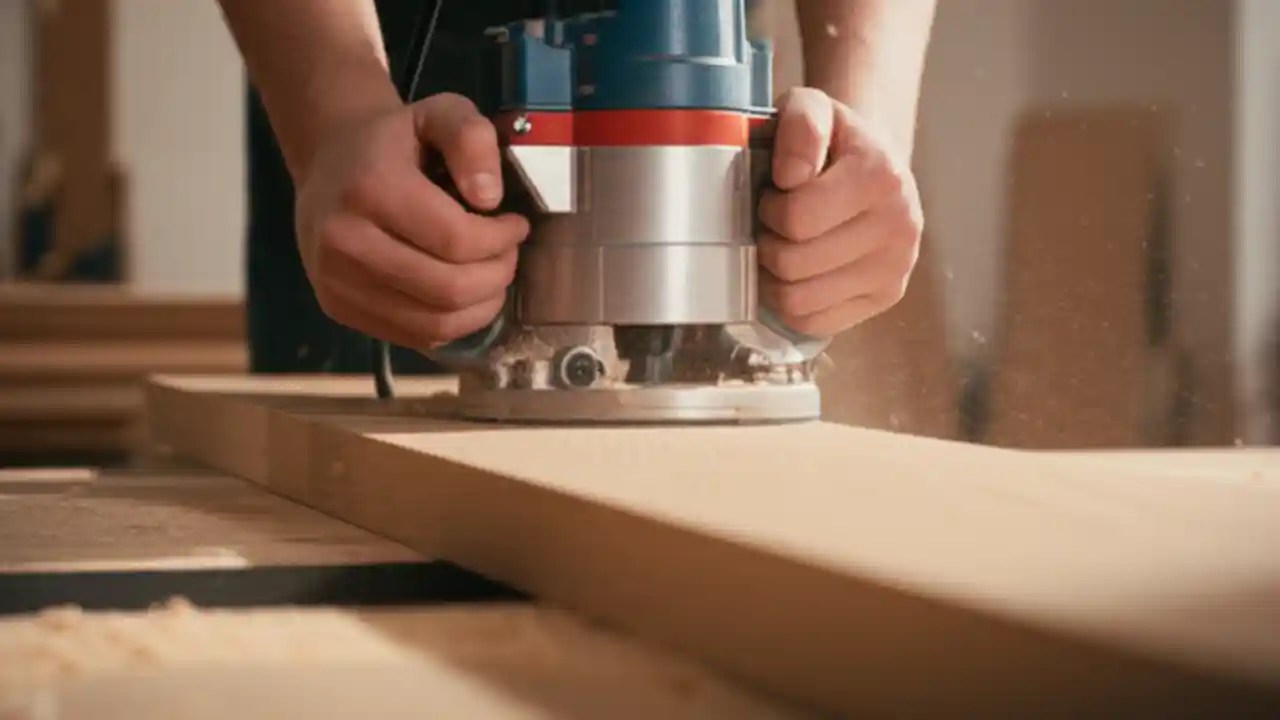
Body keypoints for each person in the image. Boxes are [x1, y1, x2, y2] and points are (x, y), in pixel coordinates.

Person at [214, 1, 936, 375]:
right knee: (362, 476)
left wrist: (862, 139)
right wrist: (336, 116)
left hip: (700, 69)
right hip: (374, 42)